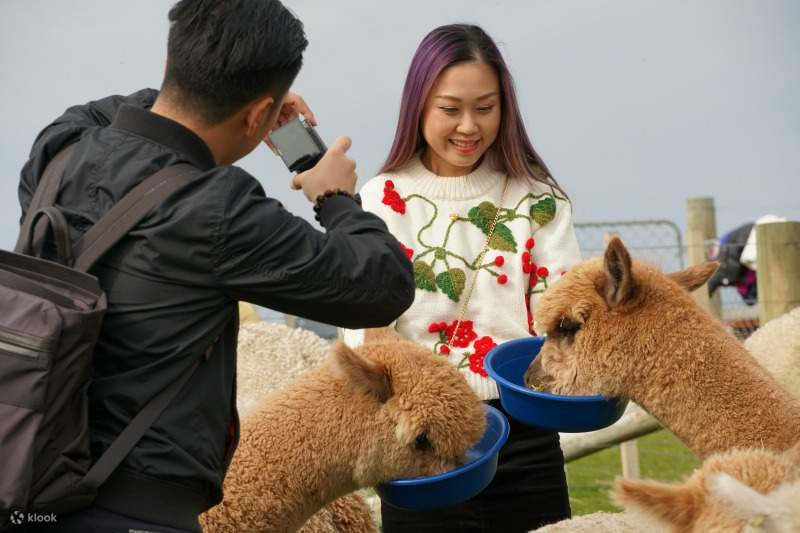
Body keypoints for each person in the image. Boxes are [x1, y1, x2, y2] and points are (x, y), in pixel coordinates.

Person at [17, 1, 414, 532]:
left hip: (25, 482)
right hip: (137, 509)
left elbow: (108, 112)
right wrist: (335, 197)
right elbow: (382, 283)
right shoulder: (218, 209)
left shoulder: (60, 150)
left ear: (168, 66)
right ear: (258, 117)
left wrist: (212, 86)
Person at [344, 24, 581, 532]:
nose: (468, 126)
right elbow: (364, 331)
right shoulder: (381, 200)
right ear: (419, 106)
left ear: (505, 107)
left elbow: (564, 317)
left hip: (526, 435)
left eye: (486, 107)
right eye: (450, 109)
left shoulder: (539, 199)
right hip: (420, 440)